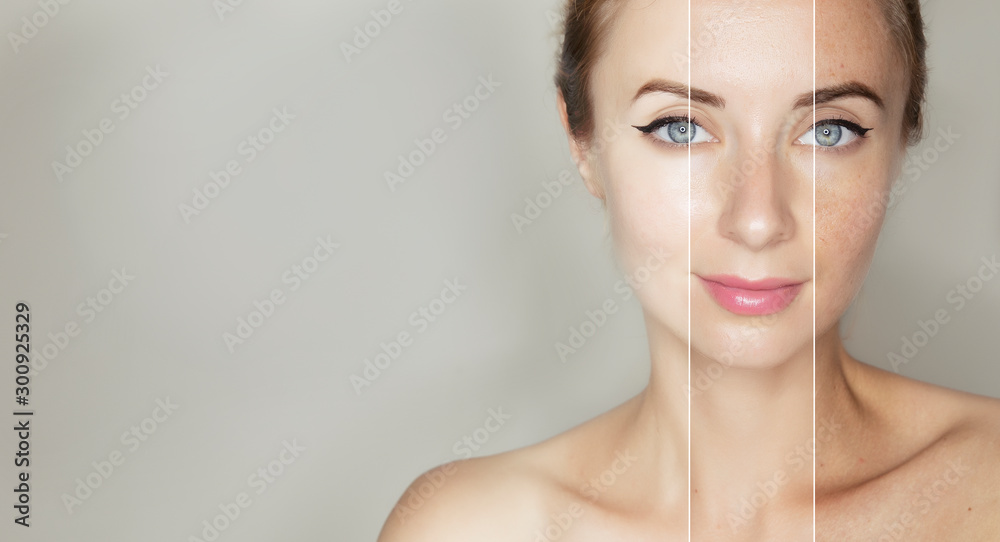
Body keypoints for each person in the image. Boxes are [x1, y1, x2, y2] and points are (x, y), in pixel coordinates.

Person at [377, 0, 1000, 539]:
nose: (757, 221)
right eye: (680, 128)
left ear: (903, 139)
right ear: (583, 143)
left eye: (829, 132)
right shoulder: (464, 529)